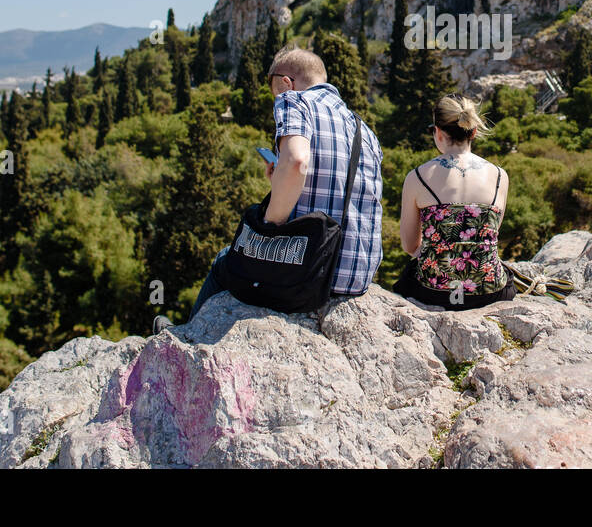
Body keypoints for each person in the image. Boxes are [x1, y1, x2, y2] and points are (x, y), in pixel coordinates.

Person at [157, 47, 383, 330]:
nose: (276, 99)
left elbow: (298, 163)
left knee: (225, 260)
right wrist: (282, 177)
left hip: (310, 275)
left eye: (275, 90)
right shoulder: (366, 131)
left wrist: (270, 224)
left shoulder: (294, 101)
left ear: (286, 82)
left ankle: (185, 337)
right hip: (355, 277)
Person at [392, 94, 515, 310]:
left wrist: (442, 254)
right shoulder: (499, 176)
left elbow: (410, 246)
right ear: (474, 131)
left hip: (435, 292)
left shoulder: (418, 177)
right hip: (489, 291)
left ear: (438, 132)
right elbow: (488, 237)